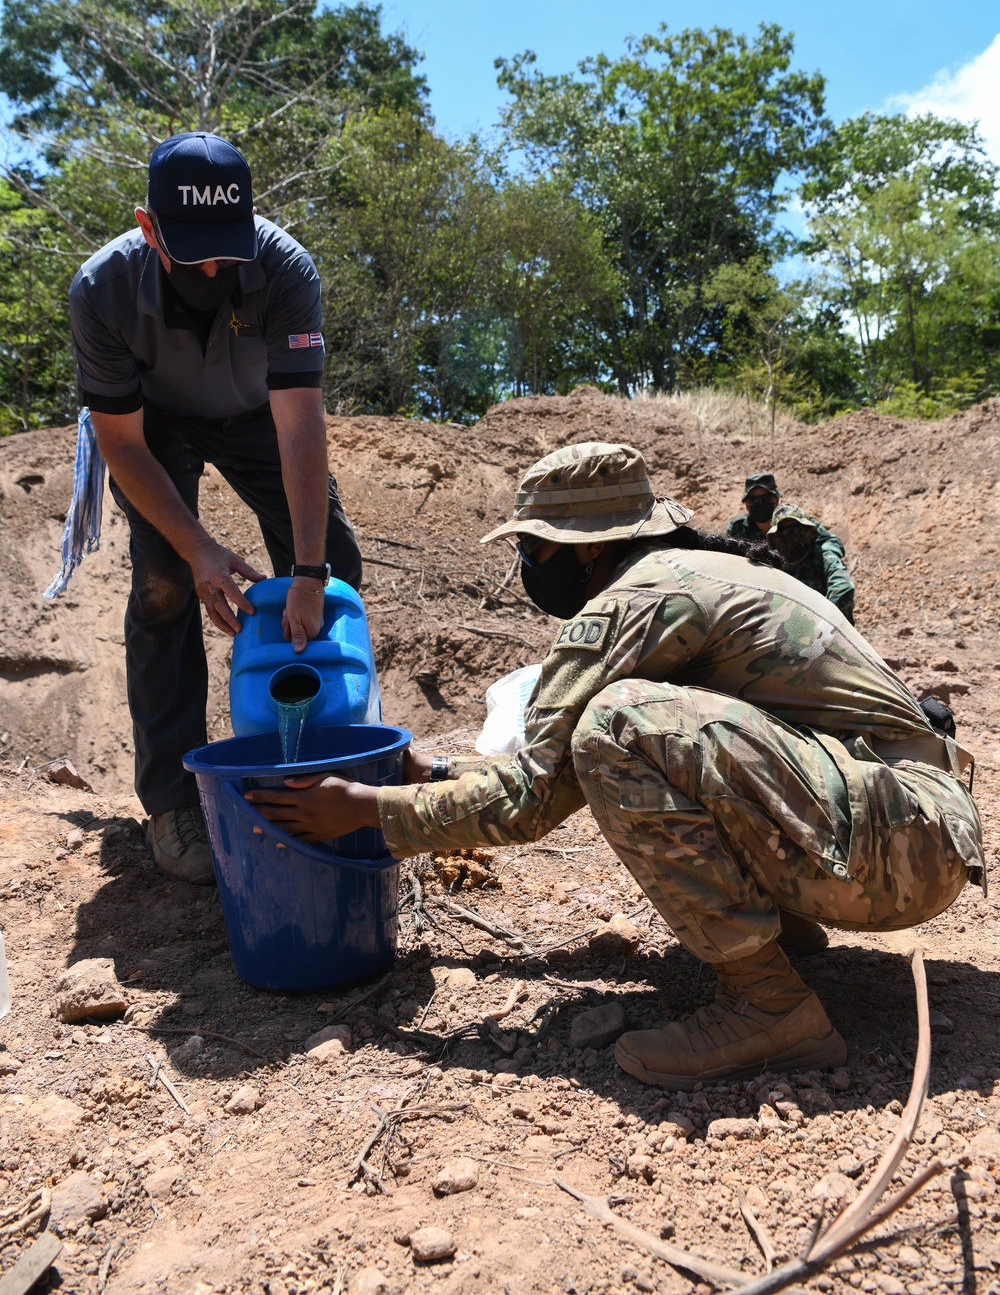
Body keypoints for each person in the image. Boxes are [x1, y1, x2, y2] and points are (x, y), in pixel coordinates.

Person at [248, 442, 984, 1088]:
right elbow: (564, 776)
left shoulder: (633, 602)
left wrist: (368, 812)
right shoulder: (700, 571)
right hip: (912, 830)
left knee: (618, 724)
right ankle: (788, 928)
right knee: (634, 727)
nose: (526, 567)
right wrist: (435, 780)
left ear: (586, 548)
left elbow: (533, 798)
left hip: (895, 853)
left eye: (533, 550)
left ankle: (770, 1008)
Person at [69, 131, 362, 884]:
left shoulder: (286, 269)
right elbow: (123, 446)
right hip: (154, 426)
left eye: (223, 248)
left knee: (334, 572)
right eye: (189, 248)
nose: (208, 267)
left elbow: (299, 423)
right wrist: (199, 549)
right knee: (164, 583)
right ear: (147, 227)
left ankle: (331, 767)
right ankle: (174, 801)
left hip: (260, 416)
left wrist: (305, 570)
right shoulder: (102, 291)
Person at [728, 472, 855, 623]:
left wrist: (826, 558)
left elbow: (828, 541)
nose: (760, 503)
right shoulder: (738, 528)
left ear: (776, 499)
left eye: (765, 498)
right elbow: (730, 564)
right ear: (746, 503)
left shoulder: (797, 519)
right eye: (753, 500)